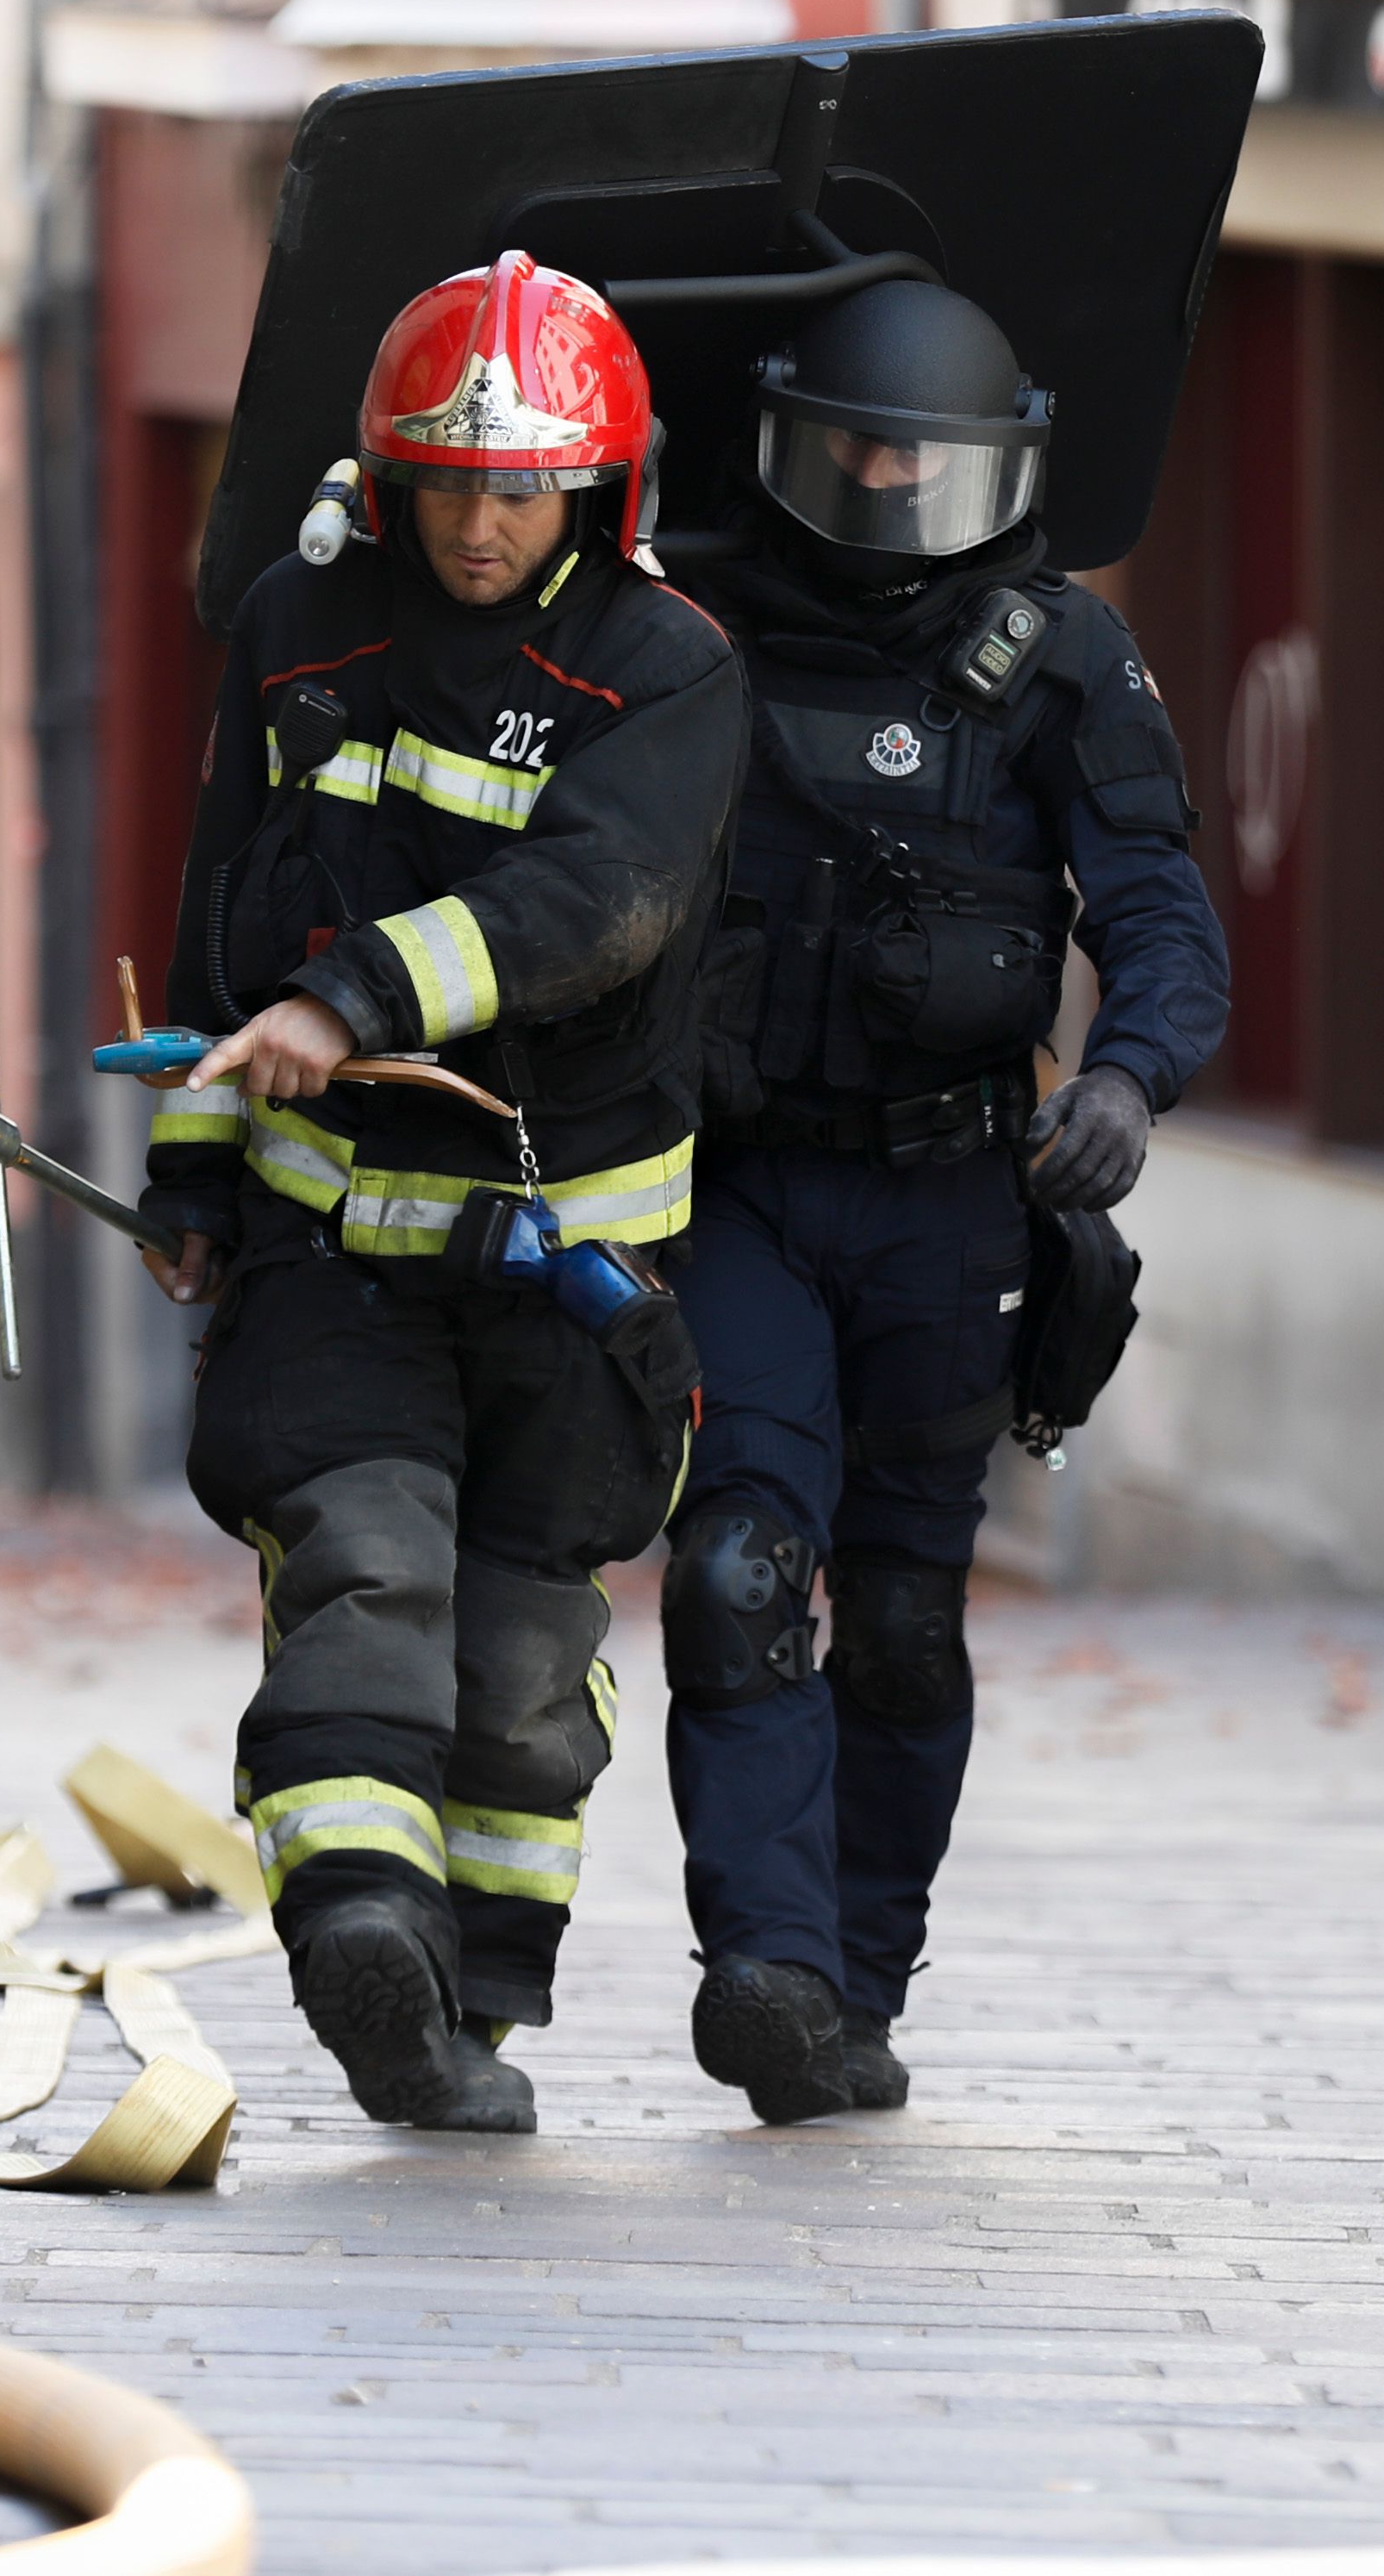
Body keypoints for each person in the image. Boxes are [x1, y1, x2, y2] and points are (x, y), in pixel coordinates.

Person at [140, 252, 745, 2135]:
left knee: (524, 1660)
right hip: (335, 1257)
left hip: (569, 1275)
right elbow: (219, 895)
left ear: (599, 489)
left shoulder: (669, 673)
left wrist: (360, 993)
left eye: (523, 487)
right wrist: (195, 1167)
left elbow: (592, 908)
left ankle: (470, 2002)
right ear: (384, 472)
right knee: (363, 1567)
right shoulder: (297, 623)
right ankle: (359, 1936)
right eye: (447, 483)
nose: (480, 526)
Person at [664, 278, 1229, 2123]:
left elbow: (1158, 906)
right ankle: (763, 1960)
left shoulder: (1057, 653)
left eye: (927, 462)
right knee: (740, 1564)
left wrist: (1129, 1081)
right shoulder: (690, 619)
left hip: (955, 1200)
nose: (891, 487)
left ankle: (859, 1976)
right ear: (783, 446)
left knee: (903, 1612)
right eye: (857, 453)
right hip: (747, 1178)